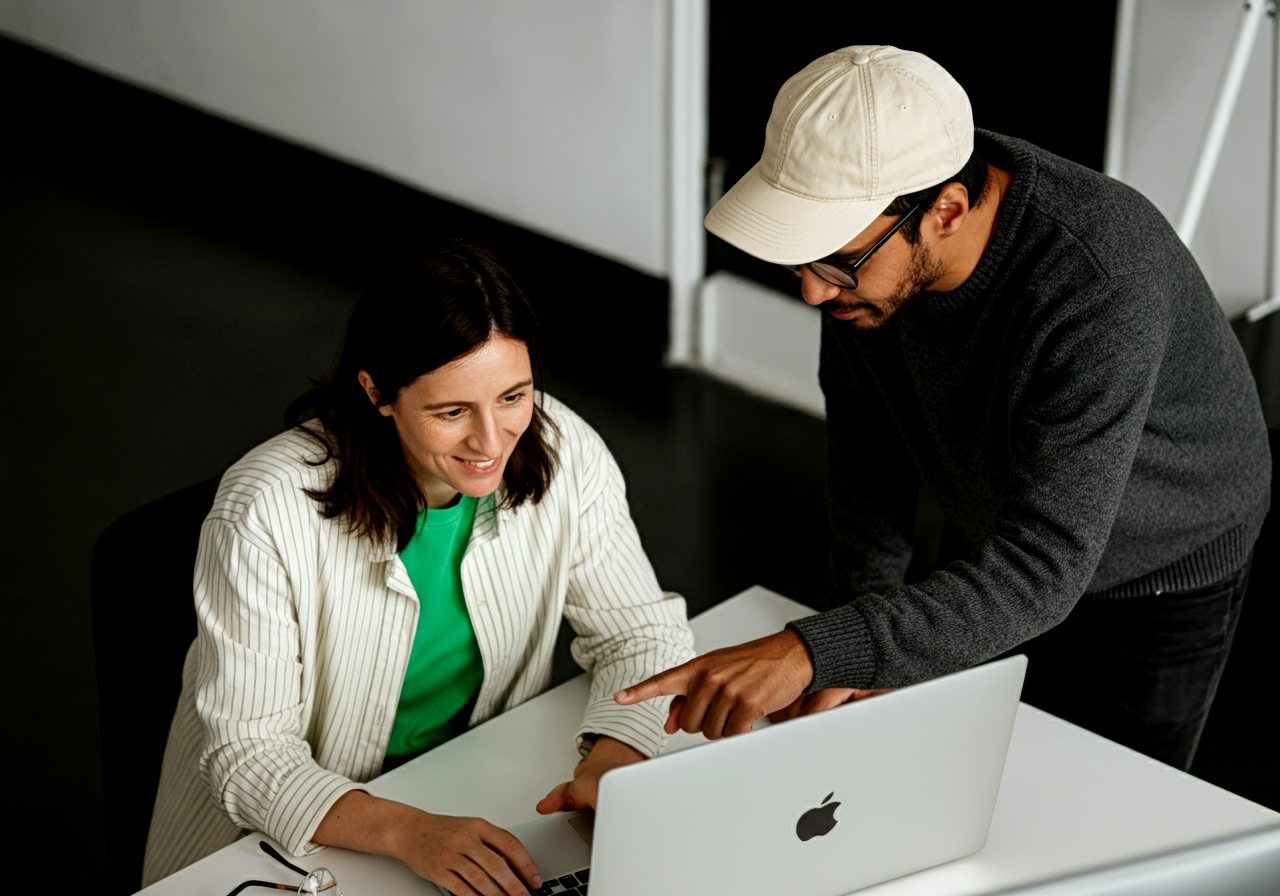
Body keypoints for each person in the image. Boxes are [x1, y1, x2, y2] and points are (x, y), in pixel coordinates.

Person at [617, 45, 1270, 771]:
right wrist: (855, 642)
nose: (810, 291)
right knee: (959, 767)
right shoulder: (869, 273)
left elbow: (1040, 570)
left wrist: (813, 650)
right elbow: (870, 456)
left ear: (947, 211)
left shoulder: (1100, 278)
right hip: (1001, 516)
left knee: (1112, 802)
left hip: (1160, 557)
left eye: (834, 261)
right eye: (797, 259)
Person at [143, 240, 696, 894]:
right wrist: (412, 832)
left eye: (513, 396)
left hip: (471, 795)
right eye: (452, 412)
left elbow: (641, 637)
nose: (491, 442)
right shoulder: (263, 511)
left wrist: (612, 766)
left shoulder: (563, 447)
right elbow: (248, 756)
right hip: (291, 848)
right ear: (377, 391)